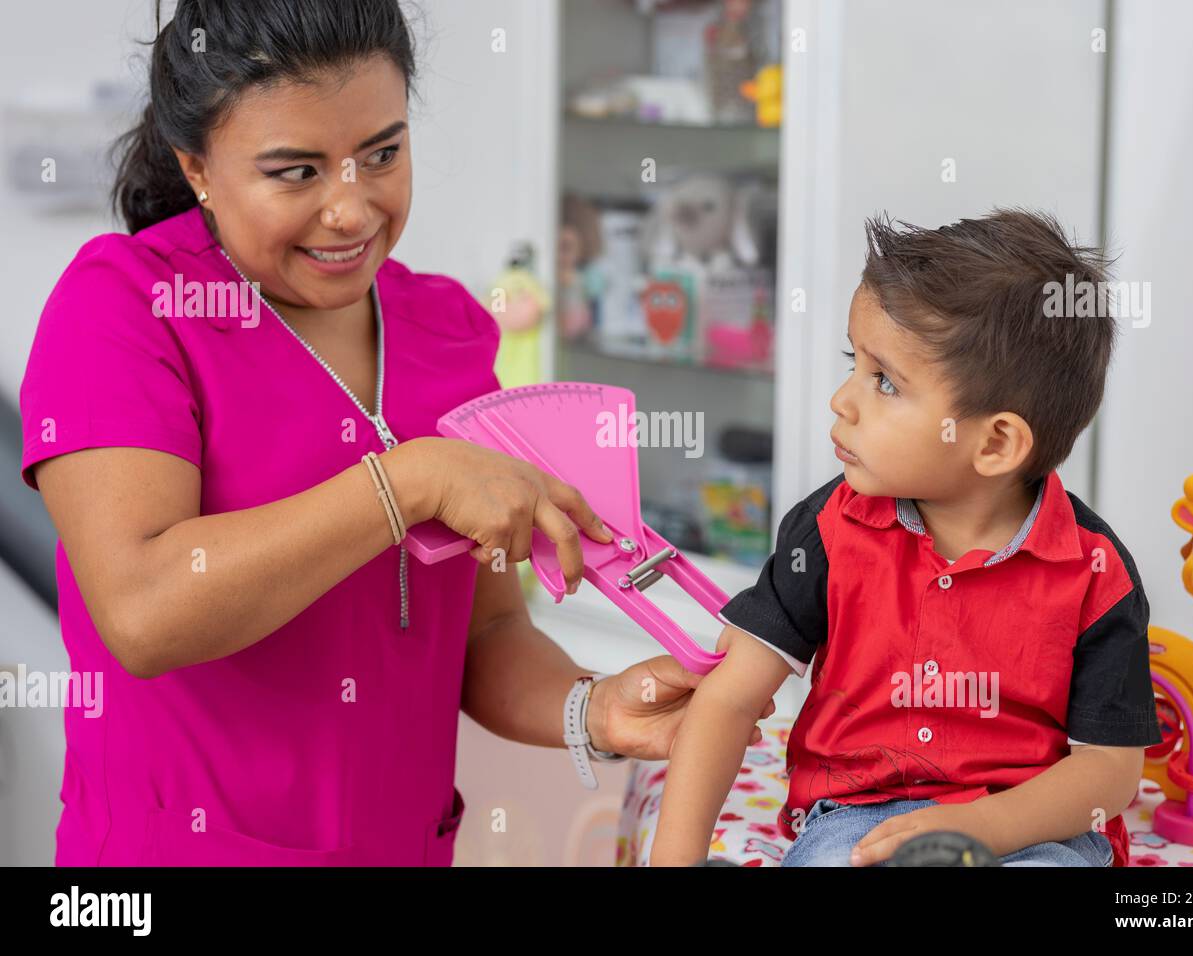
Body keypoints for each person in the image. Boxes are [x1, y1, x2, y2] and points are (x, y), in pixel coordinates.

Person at [18, 0, 771, 866]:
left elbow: (484, 634)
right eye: (295, 172)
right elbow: (145, 610)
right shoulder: (124, 308)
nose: (351, 209)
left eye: (381, 152)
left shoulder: (444, 329)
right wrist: (406, 484)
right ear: (197, 166)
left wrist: (594, 709)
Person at [648, 210, 1161, 867]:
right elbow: (728, 696)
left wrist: (985, 825)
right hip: (860, 822)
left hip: (1035, 830)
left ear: (996, 442)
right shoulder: (827, 532)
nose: (843, 399)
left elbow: (1111, 772)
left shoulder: (1096, 570)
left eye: (884, 381)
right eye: (853, 363)